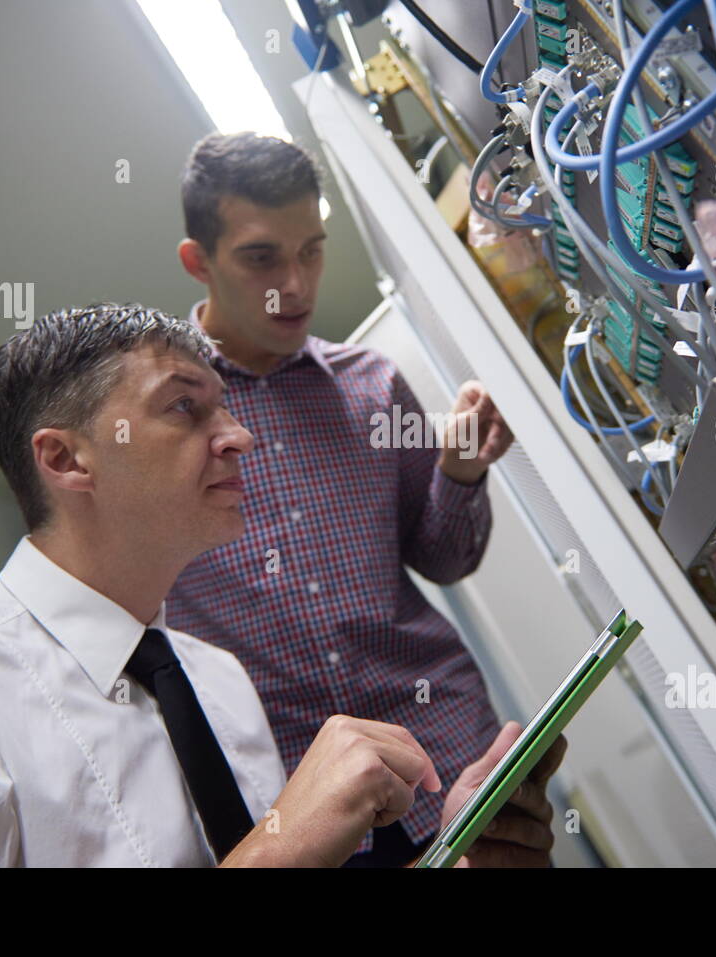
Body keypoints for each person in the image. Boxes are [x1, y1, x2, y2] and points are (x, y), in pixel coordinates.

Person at [0, 303, 563, 867]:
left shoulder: (219, 683)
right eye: (184, 408)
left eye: (220, 407)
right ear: (66, 459)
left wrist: (458, 856)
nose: (239, 435)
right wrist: (285, 843)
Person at [169, 131, 525, 866]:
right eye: (263, 256)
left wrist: (459, 470)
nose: (296, 284)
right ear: (198, 262)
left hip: (446, 740)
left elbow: (446, 558)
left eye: (312, 249)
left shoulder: (374, 385)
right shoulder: (154, 417)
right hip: (299, 799)